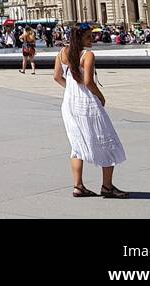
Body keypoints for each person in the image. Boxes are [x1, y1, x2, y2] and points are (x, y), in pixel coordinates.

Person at [53, 25, 127, 198]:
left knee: (77, 144)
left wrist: (70, 89)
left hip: (69, 104)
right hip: (87, 104)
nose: (91, 40)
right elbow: (88, 82)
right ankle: (107, 187)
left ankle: (78, 186)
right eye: (88, 37)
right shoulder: (88, 55)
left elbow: (56, 76)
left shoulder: (61, 53)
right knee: (107, 140)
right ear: (79, 38)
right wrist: (101, 96)